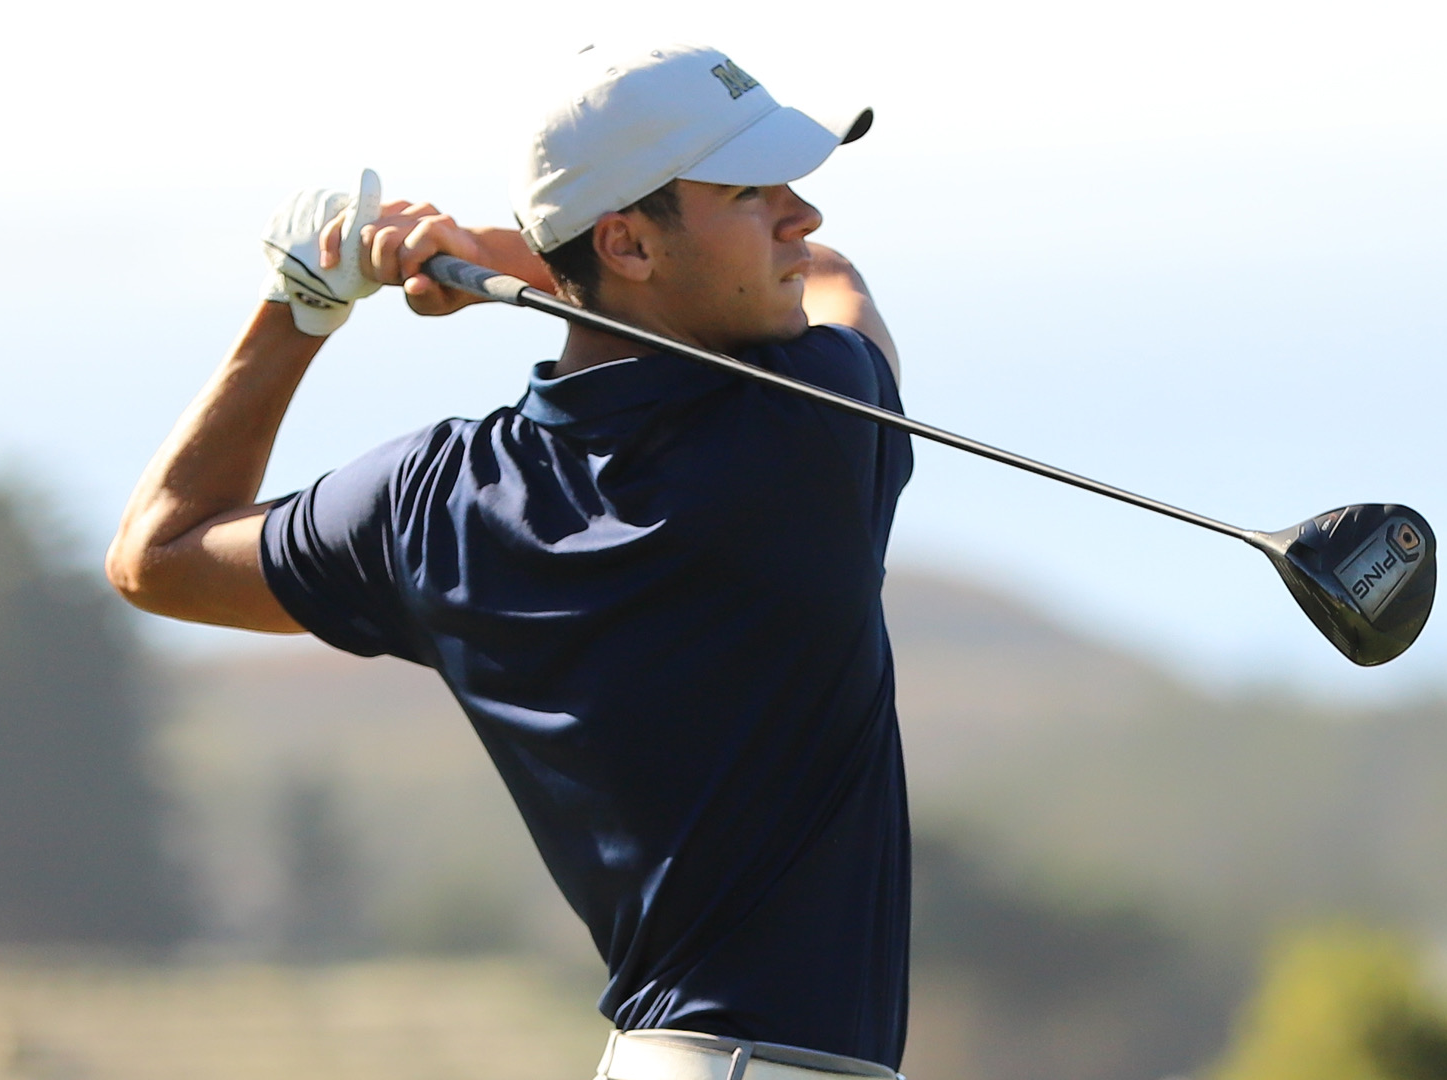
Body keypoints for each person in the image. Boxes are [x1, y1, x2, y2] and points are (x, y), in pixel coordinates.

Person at [106, 41, 914, 1080]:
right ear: (627, 240)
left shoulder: (434, 501)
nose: (801, 217)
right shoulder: (808, 426)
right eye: (753, 193)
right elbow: (836, 284)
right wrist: (495, 259)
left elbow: (157, 555)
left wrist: (305, 302)